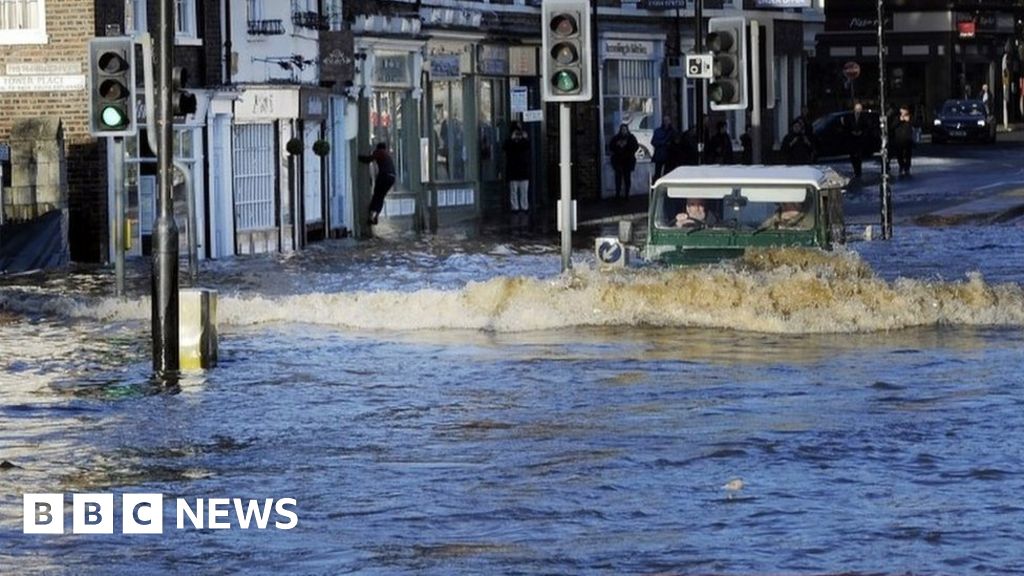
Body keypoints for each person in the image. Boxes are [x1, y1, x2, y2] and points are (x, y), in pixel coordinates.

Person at [357, 142, 396, 226]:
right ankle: (376, 216)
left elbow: (369, 159)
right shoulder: (387, 155)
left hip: (384, 176)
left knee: (376, 195)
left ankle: (371, 216)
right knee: (381, 196)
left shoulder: (379, 152)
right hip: (392, 177)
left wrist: (358, 157)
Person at [608, 122, 639, 200]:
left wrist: (627, 145)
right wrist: (617, 145)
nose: (623, 131)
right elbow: (611, 147)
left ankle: (627, 194)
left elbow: (635, 147)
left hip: (627, 161)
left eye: (625, 129)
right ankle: (617, 194)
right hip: (618, 161)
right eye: (622, 129)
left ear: (627, 130)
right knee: (618, 179)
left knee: (627, 178)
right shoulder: (616, 138)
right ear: (620, 130)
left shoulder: (631, 137)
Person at [505, 121, 531, 212]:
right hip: (515, 170)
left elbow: (528, 146)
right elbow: (505, 147)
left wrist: (524, 138)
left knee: (522, 191)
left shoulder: (524, 143)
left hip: (522, 170)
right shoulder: (509, 142)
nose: (517, 135)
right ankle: (515, 207)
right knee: (514, 191)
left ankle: (523, 207)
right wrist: (512, 139)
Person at [843, 102, 870, 178]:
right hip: (852, 138)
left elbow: (866, 127)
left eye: (860, 109)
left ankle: (858, 171)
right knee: (852, 156)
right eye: (857, 109)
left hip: (860, 139)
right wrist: (852, 132)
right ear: (854, 109)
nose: (858, 110)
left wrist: (861, 132)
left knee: (859, 155)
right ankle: (855, 169)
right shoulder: (849, 117)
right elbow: (846, 127)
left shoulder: (864, 117)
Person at [891, 105, 914, 177]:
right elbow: (892, 126)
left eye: (905, 111)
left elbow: (916, 124)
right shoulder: (896, 117)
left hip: (907, 139)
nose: (903, 112)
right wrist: (899, 120)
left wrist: (909, 121)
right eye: (902, 111)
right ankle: (901, 166)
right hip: (899, 139)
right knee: (899, 154)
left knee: (908, 154)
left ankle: (907, 167)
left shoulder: (910, 117)